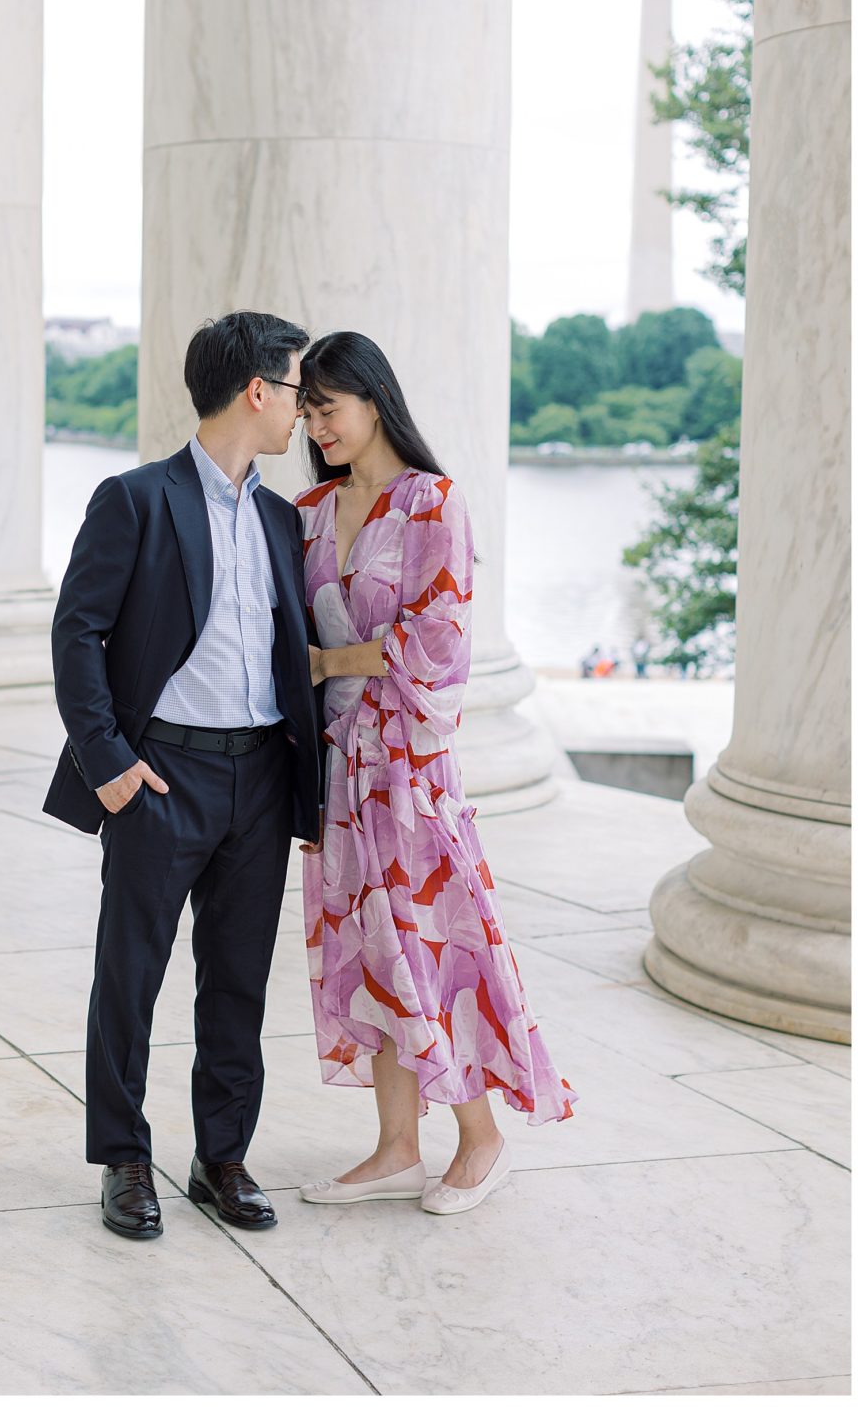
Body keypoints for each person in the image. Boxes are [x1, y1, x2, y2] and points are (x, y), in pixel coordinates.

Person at [43, 311, 324, 1241]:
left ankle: (222, 1157)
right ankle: (123, 1157)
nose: (300, 411)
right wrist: (110, 765)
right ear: (255, 391)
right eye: (293, 389)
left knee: (238, 980)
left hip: (260, 781)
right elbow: (76, 633)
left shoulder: (285, 518)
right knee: (130, 976)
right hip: (162, 777)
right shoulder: (135, 499)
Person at [293, 331, 577, 1217]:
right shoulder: (307, 509)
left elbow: (437, 643)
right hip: (338, 772)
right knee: (365, 952)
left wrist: (329, 663)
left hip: (409, 774)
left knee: (432, 944)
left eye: (326, 406)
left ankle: (482, 1140)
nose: (315, 424)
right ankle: (395, 1147)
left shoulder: (431, 505)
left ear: (372, 399)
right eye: (304, 410)